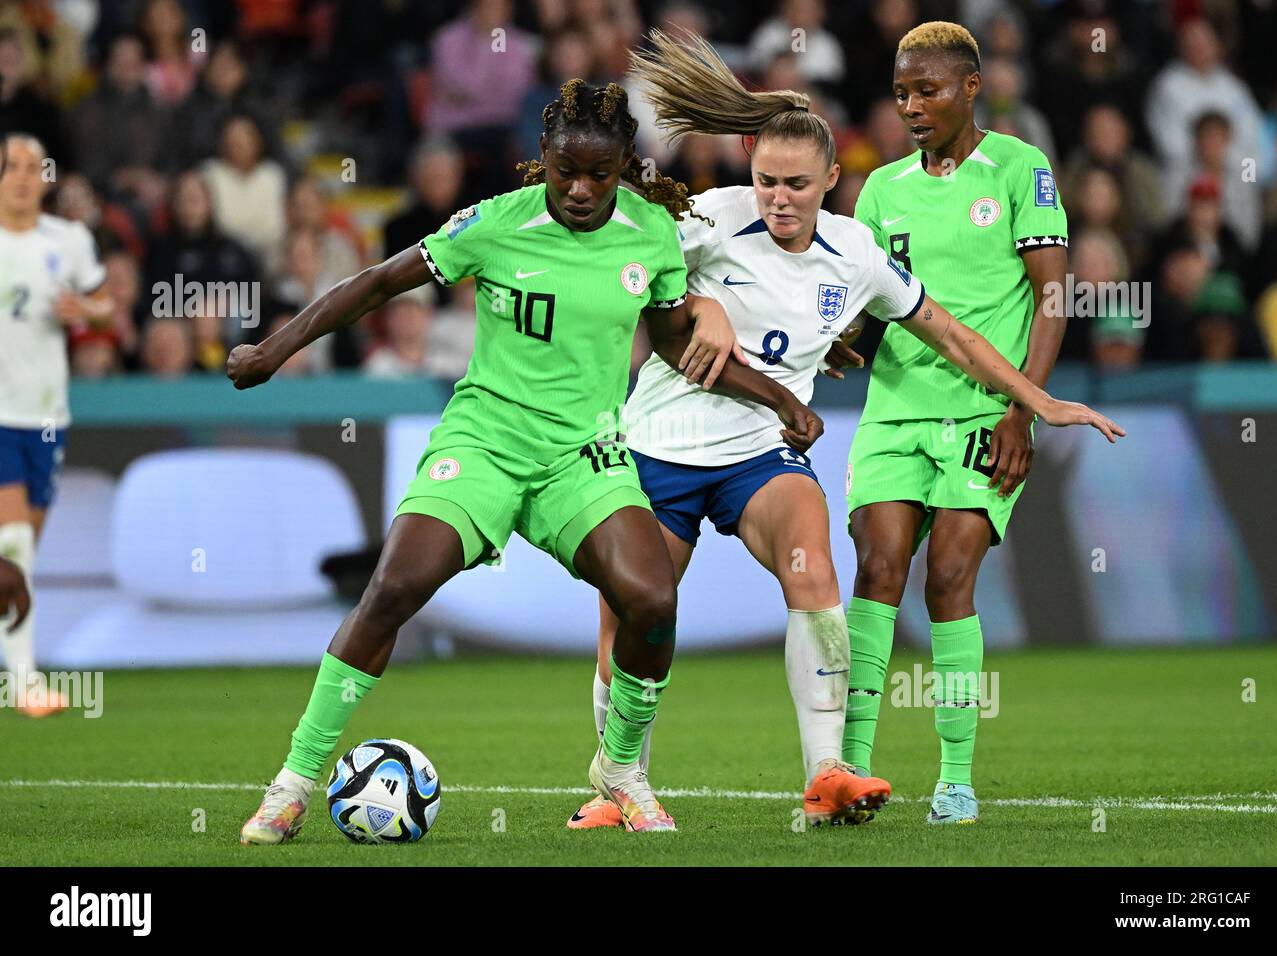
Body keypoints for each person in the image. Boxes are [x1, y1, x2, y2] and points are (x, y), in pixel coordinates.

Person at [233, 77, 824, 843]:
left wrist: (776, 397)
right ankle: (293, 783)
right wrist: (273, 351)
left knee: (651, 600)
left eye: (599, 175)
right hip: (486, 439)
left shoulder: (649, 232)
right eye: (564, 173)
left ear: (624, 169)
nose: (580, 190)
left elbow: (676, 341)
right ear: (540, 159)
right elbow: (379, 282)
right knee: (396, 585)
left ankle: (622, 771)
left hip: (583, 456)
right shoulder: (493, 224)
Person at [568, 29, 1124, 831]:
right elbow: (638, 284)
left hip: (760, 455)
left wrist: (1033, 401)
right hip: (664, 445)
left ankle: (830, 770)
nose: (780, 199)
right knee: (639, 615)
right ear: (749, 169)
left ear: (833, 179)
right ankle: (620, 781)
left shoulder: (856, 248)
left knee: (815, 561)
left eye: (798, 184)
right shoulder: (706, 219)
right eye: (766, 181)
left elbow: (949, 331)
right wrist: (702, 306)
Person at [840, 22, 1122, 825]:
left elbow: (1053, 297)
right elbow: (876, 308)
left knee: (950, 579)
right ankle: (850, 771)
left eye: (927, 90)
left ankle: (955, 782)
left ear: (970, 88)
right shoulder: (882, 188)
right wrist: (841, 346)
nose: (912, 106)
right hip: (894, 410)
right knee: (877, 571)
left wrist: (1020, 410)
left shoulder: (1022, 170)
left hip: (981, 412)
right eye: (901, 93)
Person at [0, 134, 112, 717]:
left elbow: (107, 305)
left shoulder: (68, 240)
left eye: (31, 168)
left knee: (21, 555)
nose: (21, 177)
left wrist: (83, 311)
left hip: (45, 416)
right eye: (10, 167)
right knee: (12, 542)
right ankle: (23, 684)